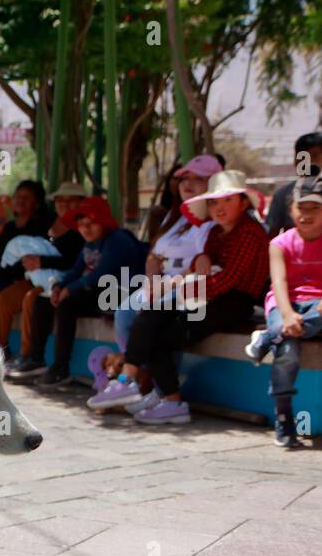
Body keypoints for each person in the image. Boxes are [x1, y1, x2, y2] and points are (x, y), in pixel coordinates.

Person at [92, 170, 270, 425]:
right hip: (207, 296)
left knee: (156, 321)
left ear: (243, 203)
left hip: (233, 302)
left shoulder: (251, 234)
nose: (220, 207)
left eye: (228, 200)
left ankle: (128, 380)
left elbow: (228, 281)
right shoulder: (215, 233)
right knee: (156, 326)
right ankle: (169, 398)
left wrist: (179, 289)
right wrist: (197, 263)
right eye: (214, 202)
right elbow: (201, 267)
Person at [245, 174, 322, 446]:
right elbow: (278, 283)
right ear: (290, 209)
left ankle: (269, 337)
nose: (307, 215)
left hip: (321, 306)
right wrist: (287, 315)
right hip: (286, 304)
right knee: (287, 352)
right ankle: (284, 418)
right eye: (301, 208)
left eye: (315, 208)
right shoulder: (279, 244)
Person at [31, 196, 146, 389]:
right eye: (81, 224)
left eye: (92, 223)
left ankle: (61, 368)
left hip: (124, 294)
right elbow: (76, 271)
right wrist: (59, 286)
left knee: (68, 303)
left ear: (104, 222)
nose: (86, 228)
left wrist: (70, 289)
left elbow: (102, 274)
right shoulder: (89, 244)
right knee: (42, 301)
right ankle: (35, 359)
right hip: (103, 293)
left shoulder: (118, 240)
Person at [3, 181, 87, 379]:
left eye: (71, 200)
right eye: (60, 199)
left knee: (34, 298)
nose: (64, 204)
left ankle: (37, 358)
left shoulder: (82, 227)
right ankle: (32, 358)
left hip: (72, 281)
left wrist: (42, 262)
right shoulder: (49, 223)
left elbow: (75, 261)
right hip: (46, 280)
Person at [0, 180, 53, 340]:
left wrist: (0, 276)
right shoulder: (10, 227)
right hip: (8, 278)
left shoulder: (40, 226)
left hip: (29, 279)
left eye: (26, 198)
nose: (20, 201)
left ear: (37, 203)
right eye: (17, 196)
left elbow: (28, 258)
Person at [266, 132, 322, 237]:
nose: (308, 162)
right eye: (302, 157)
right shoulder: (282, 195)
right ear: (295, 161)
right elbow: (272, 235)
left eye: (314, 156)